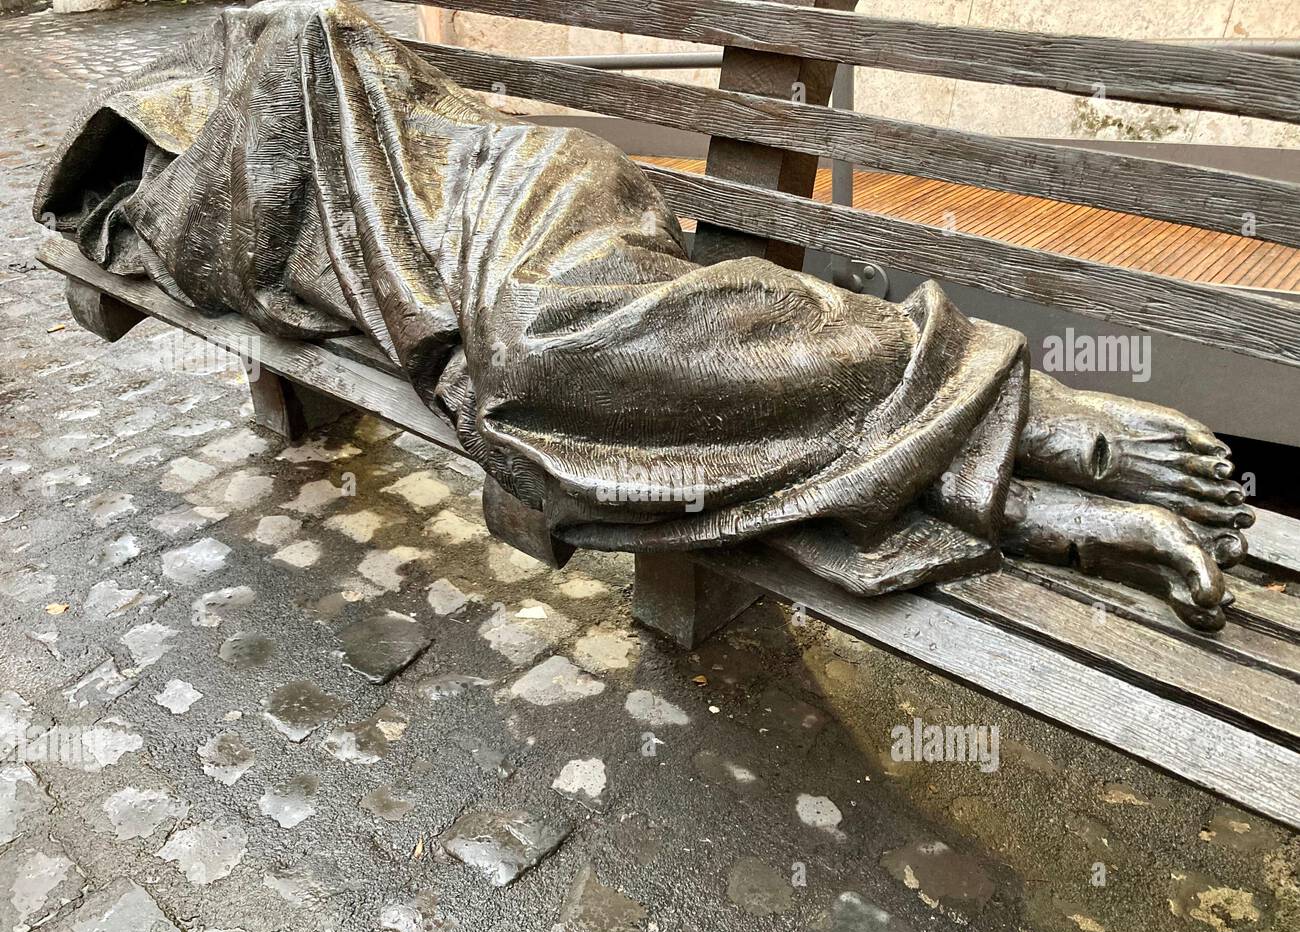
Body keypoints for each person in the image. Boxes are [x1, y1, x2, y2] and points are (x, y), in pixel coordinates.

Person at [34, 0, 1252, 630]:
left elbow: (316, 49)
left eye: (137, 166)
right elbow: (213, 243)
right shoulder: (165, 221)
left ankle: (1022, 408)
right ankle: (1034, 503)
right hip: (463, 303)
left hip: (507, 201)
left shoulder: (261, 70)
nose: (138, 186)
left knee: (550, 361)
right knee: (545, 429)